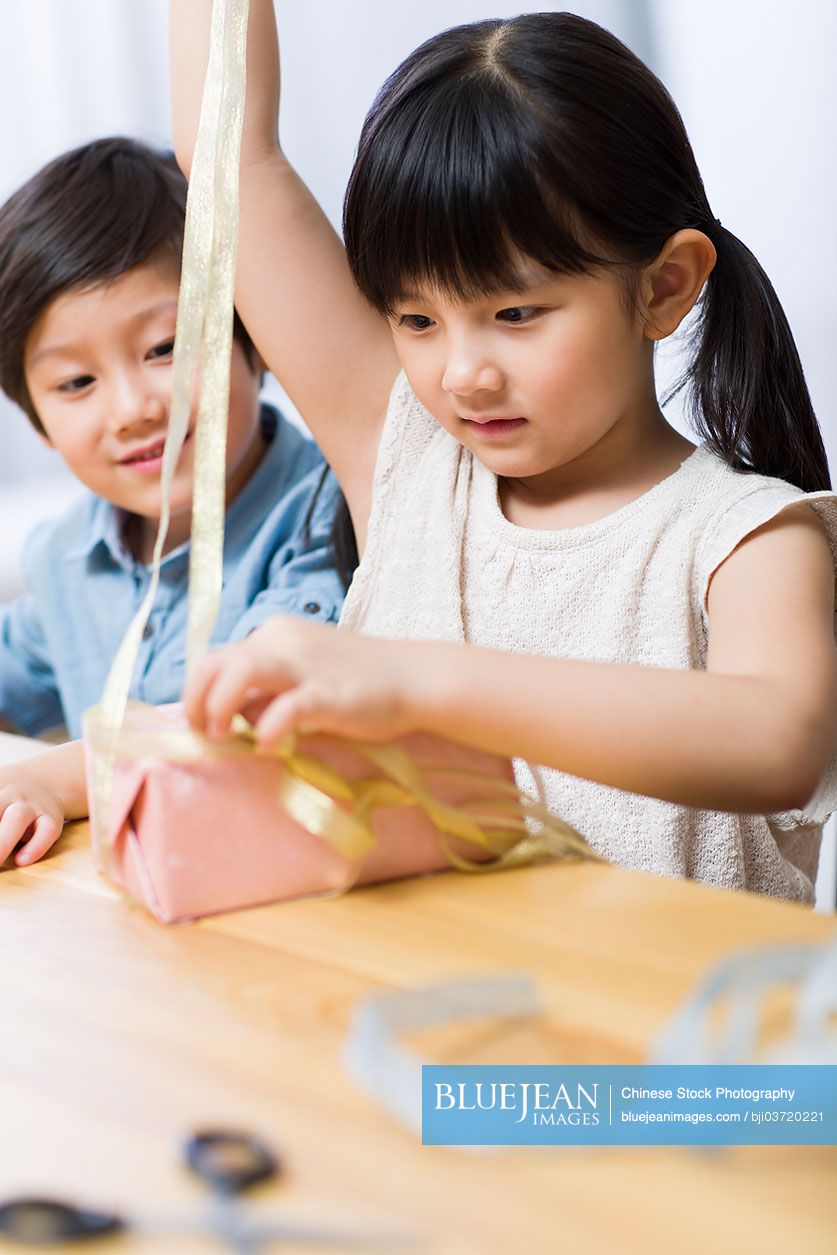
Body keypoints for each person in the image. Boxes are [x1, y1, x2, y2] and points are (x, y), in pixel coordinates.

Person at [173, 6, 837, 902]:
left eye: (514, 314)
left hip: (664, 1041)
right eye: (415, 319)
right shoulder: (403, 448)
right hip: (418, 1020)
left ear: (664, 286)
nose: (461, 374)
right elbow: (228, 155)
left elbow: (776, 745)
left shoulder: (749, 541)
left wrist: (409, 681)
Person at [0, 136, 353, 868]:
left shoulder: (329, 508)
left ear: (253, 333)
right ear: (37, 422)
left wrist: (52, 778)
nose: (133, 407)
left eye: (167, 347)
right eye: (75, 383)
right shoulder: (67, 555)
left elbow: (246, 717)